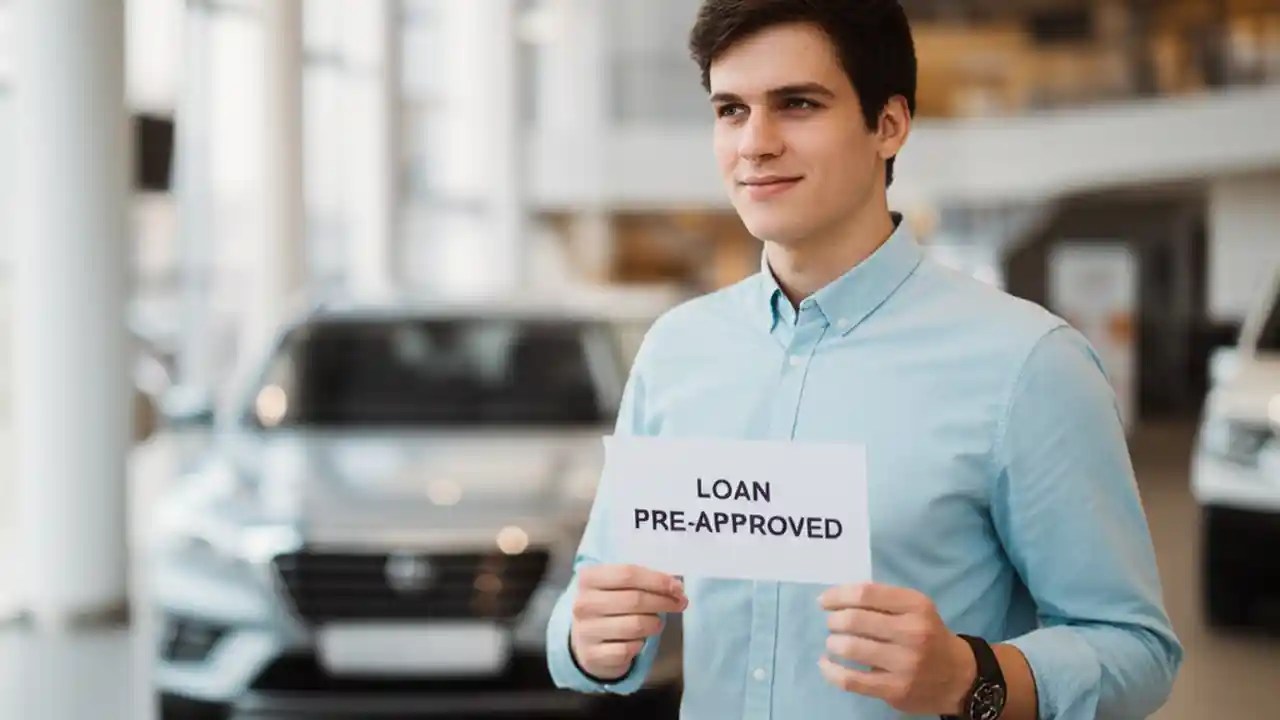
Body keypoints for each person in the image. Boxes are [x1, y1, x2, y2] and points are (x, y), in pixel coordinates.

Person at [545, 1, 1183, 718]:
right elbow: (594, 588)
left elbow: (1137, 651)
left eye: (797, 104)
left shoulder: (1028, 365)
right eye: (731, 109)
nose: (755, 143)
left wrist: (970, 675)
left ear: (889, 124)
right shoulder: (676, 351)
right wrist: (581, 638)